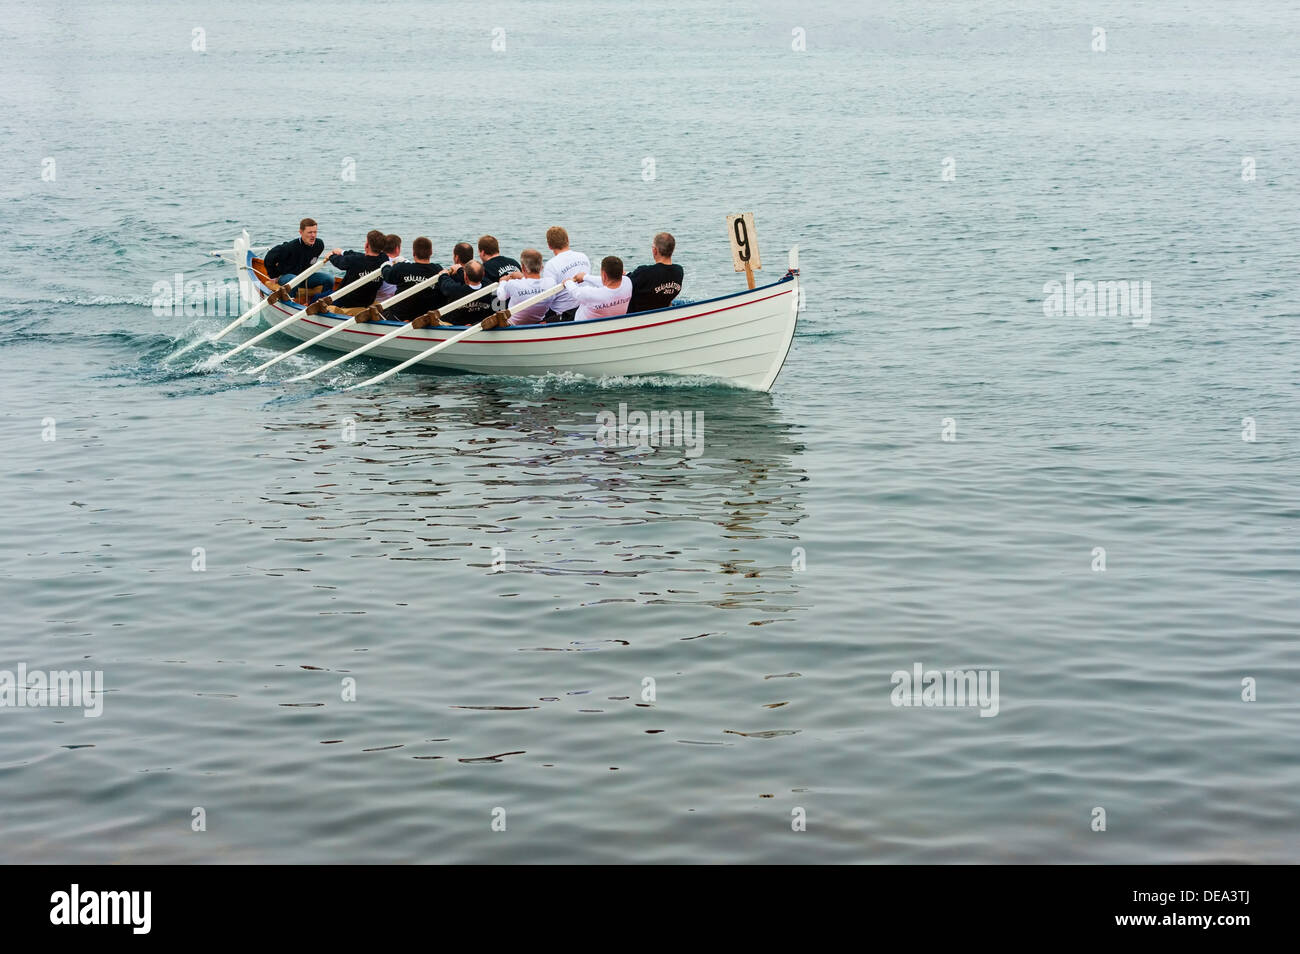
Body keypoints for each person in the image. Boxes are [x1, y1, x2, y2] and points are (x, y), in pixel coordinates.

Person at [307, 230, 387, 316]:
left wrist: (331, 256)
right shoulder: (384, 259)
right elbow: (361, 256)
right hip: (367, 301)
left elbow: (340, 262)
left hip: (344, 300)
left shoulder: (355, 260)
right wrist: (343, 252)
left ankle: (307, 316)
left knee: (316, 297)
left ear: (367, 245)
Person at [377, 236, 442, 324]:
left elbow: (388, 276)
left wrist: (386, 265)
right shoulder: (438, 270)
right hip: (425, 316)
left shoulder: (402, 268)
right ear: (431, 252)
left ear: (414, 253)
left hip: (399, 317)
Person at [264, 218, 333, 301]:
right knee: (294, 280)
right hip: (286, 277)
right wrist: (273, 275)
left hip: (305, 276)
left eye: (315, 232)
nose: (313, 235)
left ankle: (319, 302)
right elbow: (269, 257)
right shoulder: (290, 247)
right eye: (310, 232)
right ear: (301, 232)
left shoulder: (319, 244)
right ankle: (292, 302)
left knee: (329, 279)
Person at [420, 259, 493, 327]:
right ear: (483, 274)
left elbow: (446, 284)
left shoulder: (456, 290)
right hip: (477, 323)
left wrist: (443, 274)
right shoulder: (490, 287)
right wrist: (460, 270)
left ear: (466, 276)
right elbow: (483, 280)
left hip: (455, 325)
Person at [538, 227, 589, 321]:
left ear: (549, 246)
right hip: (583, 307)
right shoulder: (583, 256)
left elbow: (548, 297)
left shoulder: (551, 265)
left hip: (562, 312)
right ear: (568, 240)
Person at [626, 232, 683, 313]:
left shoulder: (644, 272)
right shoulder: (679, 271)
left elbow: (624, 285)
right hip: (662, 310)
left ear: (655, 250)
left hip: (638, 316)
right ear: (672, 250)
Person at [565, 256, 632, 321]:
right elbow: (607, 281)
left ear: (604, 275)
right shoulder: (628, 282)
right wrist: (585, 277)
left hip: (582, 327)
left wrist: (567, 282)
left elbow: (575, 291)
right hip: (612, 323)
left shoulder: (592, 294)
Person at [492, 248, 549, 325]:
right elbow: (532, 283)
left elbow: (501, 297)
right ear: (541, 267)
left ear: (523, 268)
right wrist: (522, 277)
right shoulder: (550, 282)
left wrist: (502, 282)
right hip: (538, 321)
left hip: (513, 324)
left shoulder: (513, 284)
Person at [372, 233, 404, 304]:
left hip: (377, 302)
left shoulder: (376, 262)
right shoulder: (406, 263)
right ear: (397, 249)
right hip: (398, 301)